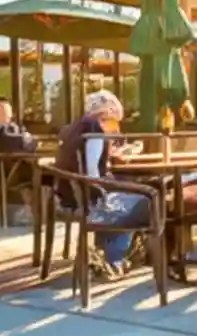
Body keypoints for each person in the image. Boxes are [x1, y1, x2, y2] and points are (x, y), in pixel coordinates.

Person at [55, 90, 148, 279]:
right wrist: (112, 187)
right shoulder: (94, 131)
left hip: (69, 196)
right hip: (88, 198)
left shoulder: (73, 128)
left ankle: (105, 253)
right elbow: (92, 174)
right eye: (115, 121)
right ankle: (114, 259)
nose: (116, 127)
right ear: (106, 114)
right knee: (143, 203)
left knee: (127, 196)